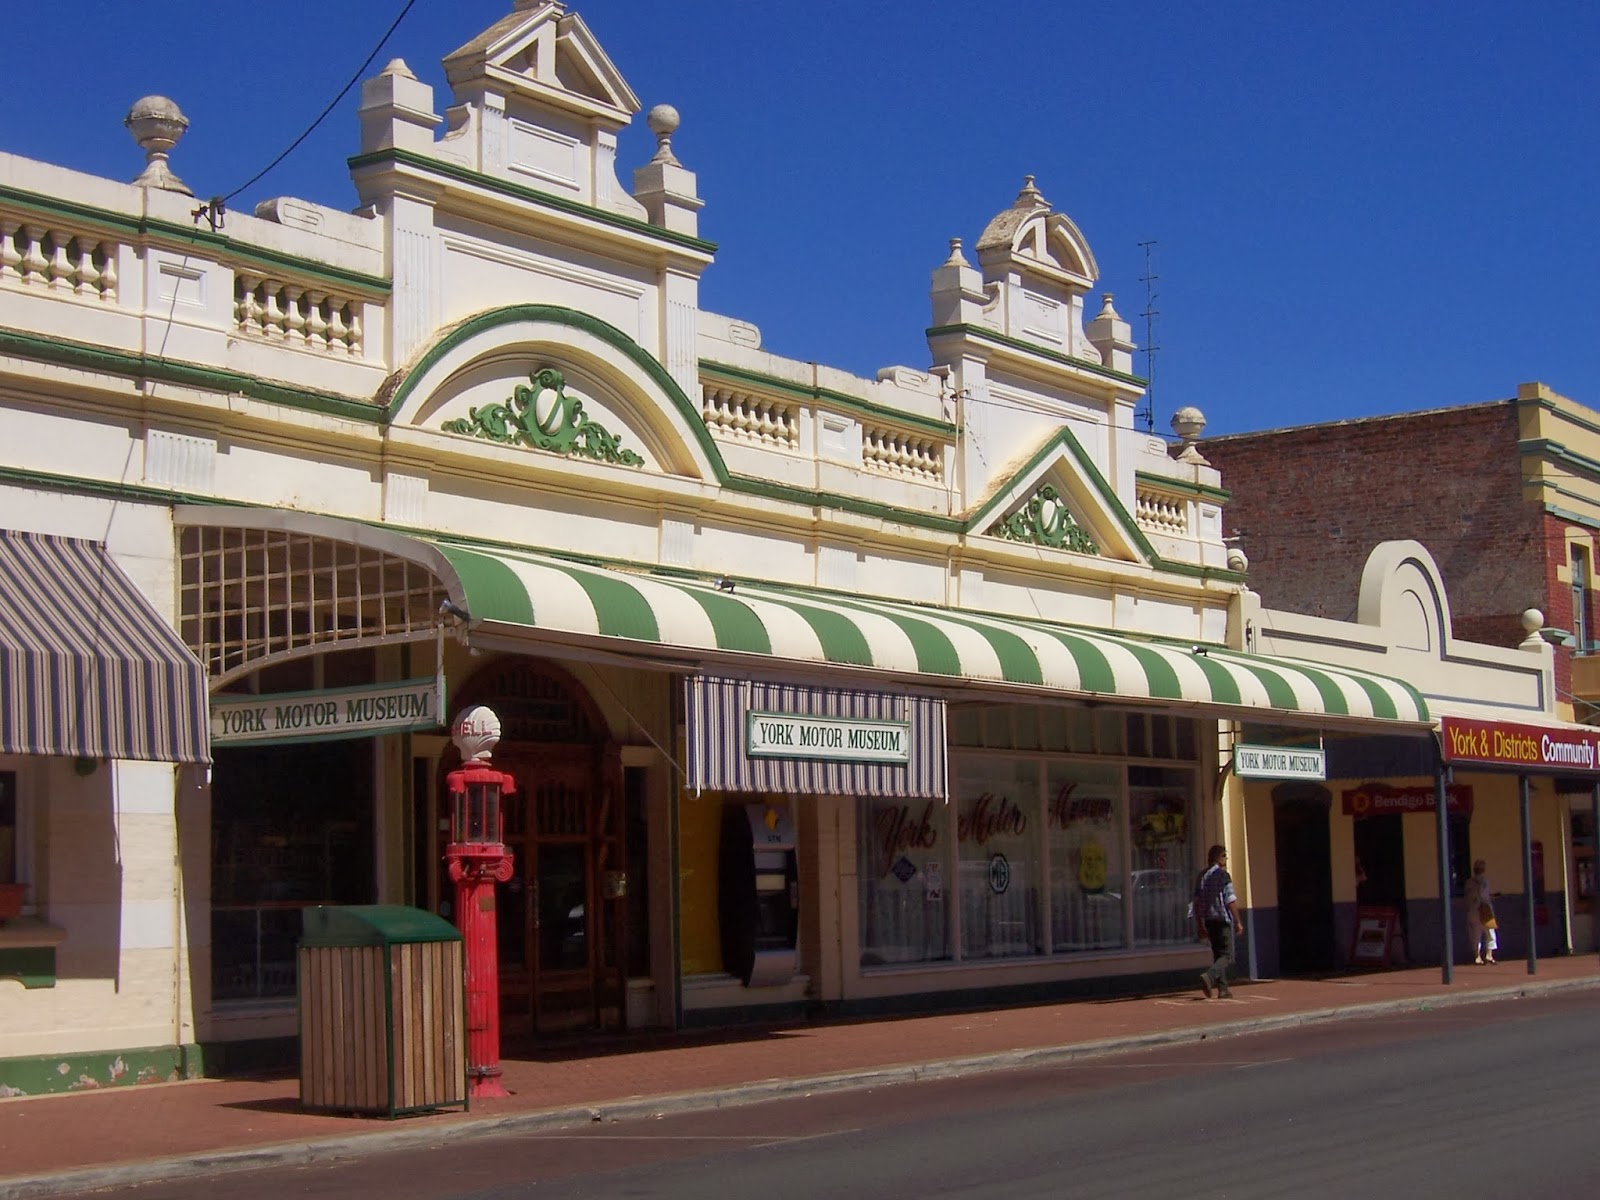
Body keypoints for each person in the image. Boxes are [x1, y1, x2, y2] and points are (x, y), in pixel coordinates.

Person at [1194, 844, 1244, 999]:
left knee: (1217, 954)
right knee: (1227, 955)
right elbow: (1230, 900)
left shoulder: (1201, 877)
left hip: (1208, 920)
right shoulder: (1223, 876)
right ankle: (1209, 976)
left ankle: (1223, 989)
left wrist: (1199, 924)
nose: (1226, 859)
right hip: (1222, 919)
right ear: (1217, 857)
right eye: (1223, 855)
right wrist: (1238, 921)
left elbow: (1196, 903)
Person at [1464, 858, 1497, 965]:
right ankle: (1489, 955)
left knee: (1476, 935)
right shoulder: (1484, 881)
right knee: (1490, 933)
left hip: (1473, 911)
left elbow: (1467, 897)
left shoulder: (1469, 882)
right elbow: (1484, 896)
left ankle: (1477, 957)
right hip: (1484, 909)